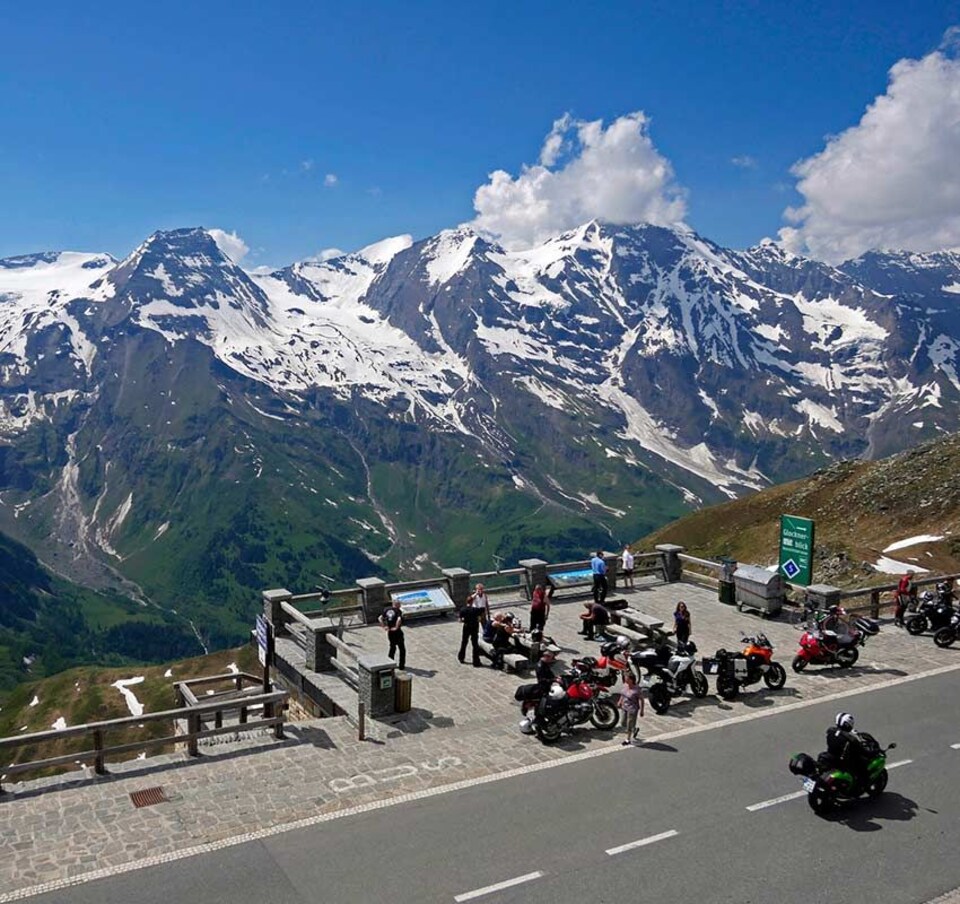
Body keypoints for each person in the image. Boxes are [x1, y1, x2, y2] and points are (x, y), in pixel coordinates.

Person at [824, 711, 867, 781]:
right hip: (843, 762)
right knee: (862, 766)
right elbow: (861, 750)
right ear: (847, 724)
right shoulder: (850, 738)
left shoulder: (831, 731)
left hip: (831, 755)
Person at [378, 599, 406, 670]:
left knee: (392, 647)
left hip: (390, 632)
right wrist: (396, 627)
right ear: (397, 605)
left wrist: (384, 626)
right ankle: (401, 666)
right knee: (402, 649)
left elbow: (380, 618)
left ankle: (390, 664)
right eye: (399, 604)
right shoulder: (398, 611)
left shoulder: (386, 609)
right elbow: (399, 619)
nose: (400, 606)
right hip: (397, 632)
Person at [618, 671, 644, 745]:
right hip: (624, 707)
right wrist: (620, 701)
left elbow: (641, 700)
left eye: (627, 678)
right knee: (623, 723)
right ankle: (634, 729)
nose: (625, 679)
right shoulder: (625, 686)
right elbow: (622, 694)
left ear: (631, 680)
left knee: (629, 724)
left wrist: (642, 710)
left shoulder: (637, 689)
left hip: (632, 709)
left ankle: (628, 739)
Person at [457, 599, 483, 667]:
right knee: (475, 644)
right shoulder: (475, 610)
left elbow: (460, 620)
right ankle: (476, 661)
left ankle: (461, 657)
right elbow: (480, 619)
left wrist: (465, 621)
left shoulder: (463, 609)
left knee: (464, 642)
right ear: (472, 602)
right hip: (474, 627)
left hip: (466, 627)